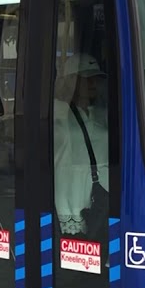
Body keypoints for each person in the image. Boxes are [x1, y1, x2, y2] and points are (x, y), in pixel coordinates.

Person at [53, 52, 110, 239]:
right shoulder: (58, 113)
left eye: (96, 79)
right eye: (87, 79)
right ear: (72, 82)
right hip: (71, 194)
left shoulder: (102, 113)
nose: (93, 84)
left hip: (102, 191)